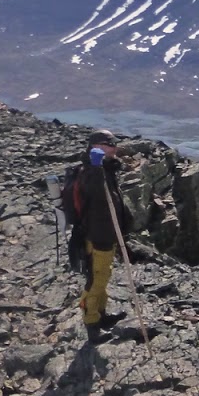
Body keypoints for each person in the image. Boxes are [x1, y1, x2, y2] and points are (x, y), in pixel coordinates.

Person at [76, 130, 130, 344]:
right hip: (97, 235)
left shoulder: (105, 168)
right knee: (97, 279)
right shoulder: (90, 170)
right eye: (110, 145)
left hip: (107, 233)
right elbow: (96, 193)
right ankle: (91, 323)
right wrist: (97, 166)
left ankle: (101, 314)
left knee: (103, 275)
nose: (115, 148)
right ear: (96, 147)